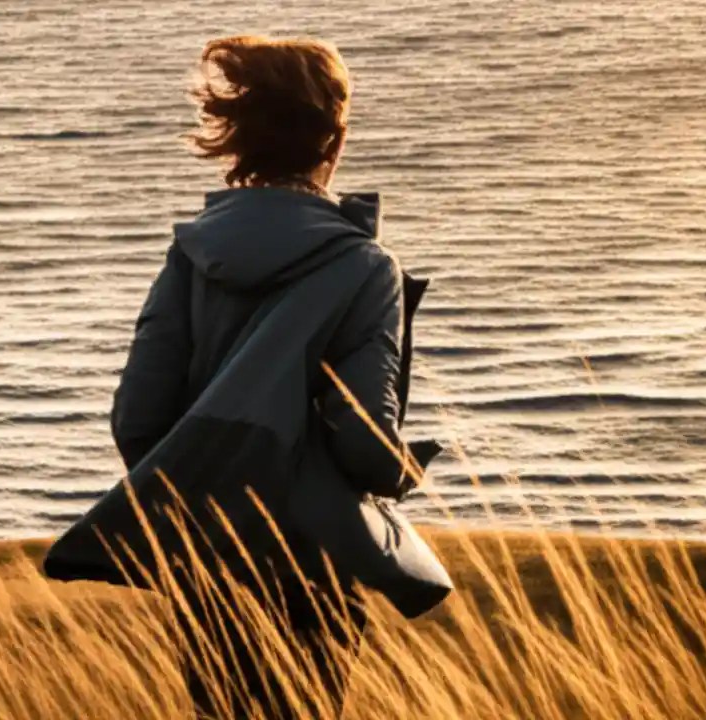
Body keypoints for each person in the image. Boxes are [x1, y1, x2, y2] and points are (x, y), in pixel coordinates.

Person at [43, 35, 449, 718]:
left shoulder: (191, 253)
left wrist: (207, 493)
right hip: (310, 561)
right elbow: (361, 439)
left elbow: (137, 419)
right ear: (335, 137)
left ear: (242, 141)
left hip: (205, 556)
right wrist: (403, 470)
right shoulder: (365, 267)